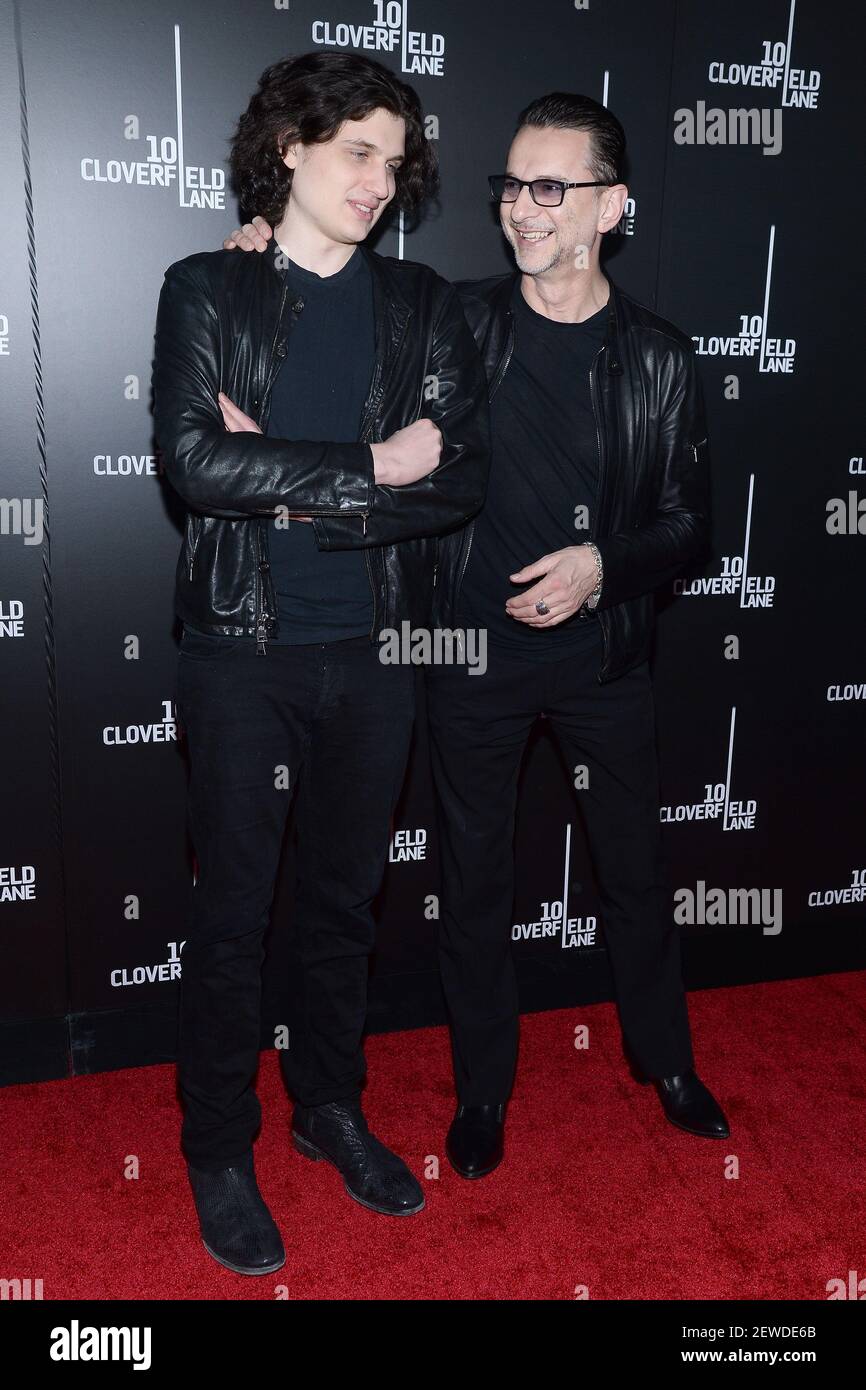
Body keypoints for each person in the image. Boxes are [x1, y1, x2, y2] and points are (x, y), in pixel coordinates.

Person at [223, 89, 729, 1189]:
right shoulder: (454, 320)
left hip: (604, 660)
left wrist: (604, 568)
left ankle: (667, 1065)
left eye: (550, 186)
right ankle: (482, 1090)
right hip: (467, 658)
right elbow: (339, 321)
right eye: (510, 184)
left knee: (637, 874)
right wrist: (260, 252)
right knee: (476, 881)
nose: (521, 207)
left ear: (612, 207)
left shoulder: (659, 357)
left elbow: (692, 524)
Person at [152, 50, 489, 1275]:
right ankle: (216, 1144)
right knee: (235, 914)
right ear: (288, 146)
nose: (377, 183)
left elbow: (456, 479)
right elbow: (195, 465)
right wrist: (364, 468)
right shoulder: (206, 286)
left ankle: (327, 1106)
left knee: (344, 906)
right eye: (356, 151)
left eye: (395, 165)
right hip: (240, 651)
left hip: (377, 648)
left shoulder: (424, 304)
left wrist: (289, 481)